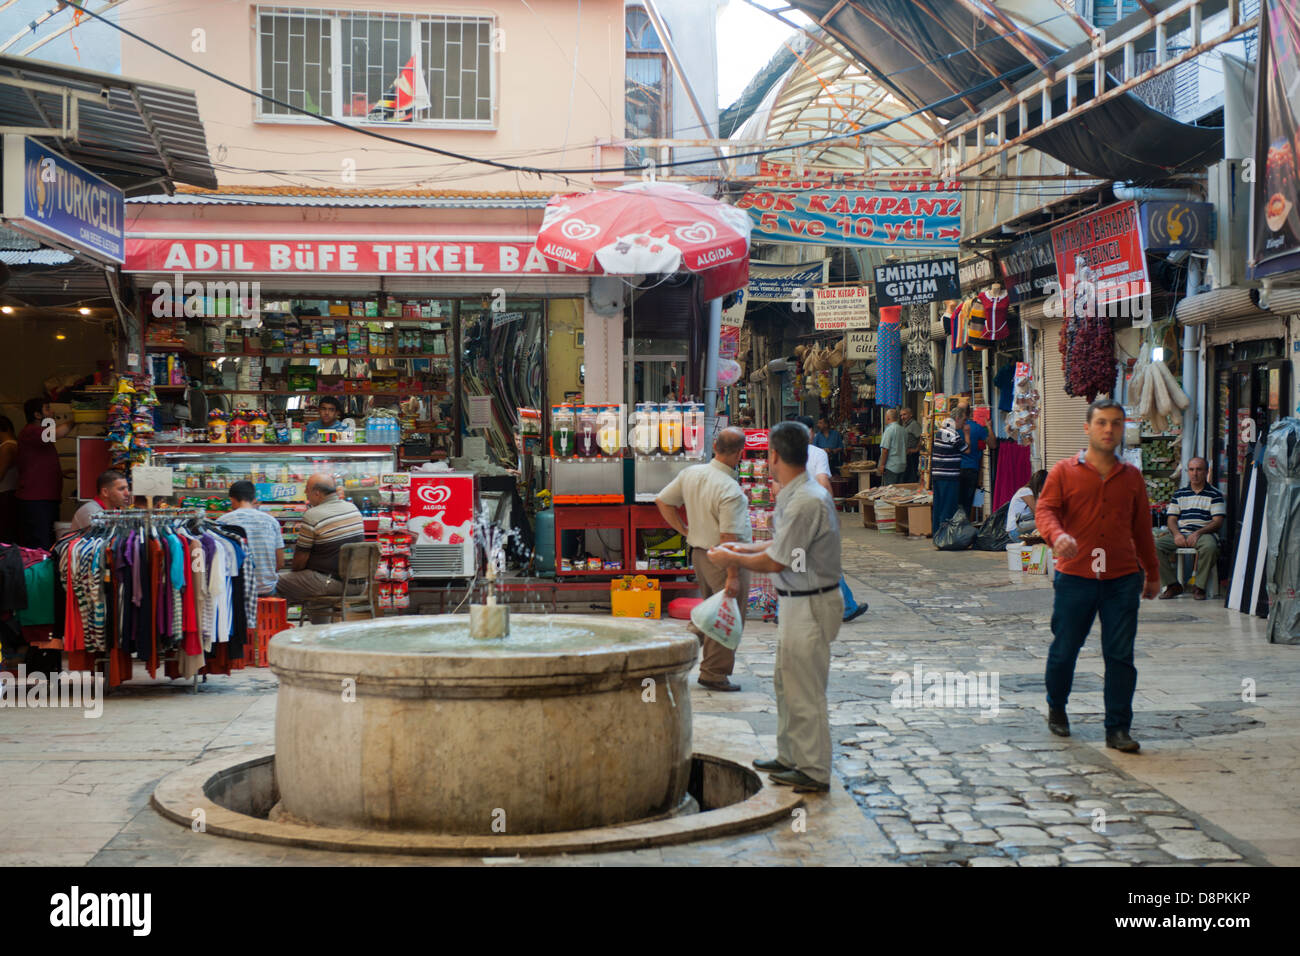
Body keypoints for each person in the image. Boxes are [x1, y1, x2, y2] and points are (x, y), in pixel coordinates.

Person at [708, 421, 843, 793]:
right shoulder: (797, 494)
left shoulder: (805, 501)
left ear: (774, 456)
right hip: (797, 600)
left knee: (806, 689)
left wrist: (730, 558)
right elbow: (778, 549)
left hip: (810, 603)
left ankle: (813, 770)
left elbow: (776, 562)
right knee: (787, 683)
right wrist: (735, 550)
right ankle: (790, 757)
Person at [1035, 398, 1160, 754]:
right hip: (1076, 576)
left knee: (1120, 655)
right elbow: (1045, 510)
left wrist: (1151, 572)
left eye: (1116, 423)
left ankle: (1118, 728)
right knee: (1065, 649)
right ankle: (1056, 705)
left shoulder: (1132, 478)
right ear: (1088, 428)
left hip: (1121, 578)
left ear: (1123, 428)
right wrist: (1057, 536)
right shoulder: (1063, 472)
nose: (1109, 430)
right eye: (1102, 422)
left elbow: (1142, 529)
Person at [655, 427, 752, 692]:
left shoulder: (692, 474)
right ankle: (714, 673)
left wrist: (684, 530)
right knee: (726, 616)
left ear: (714, 447)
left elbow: (663, 501)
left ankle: (670, 655)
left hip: (700, 555)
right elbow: (729, 538)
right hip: (724, 560)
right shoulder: (730, 489)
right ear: (739, 454)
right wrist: (733, 576)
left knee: (709, 613)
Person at [794, 416, 867, 623]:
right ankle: (846, 607)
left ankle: (784, 611)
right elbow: (824, 482)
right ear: (809, 433)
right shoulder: (816, 454)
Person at [276, 473, 365, 622]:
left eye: (307, 490)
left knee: (276, 582)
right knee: (312, 579)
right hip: (359, 583)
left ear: (317, 493)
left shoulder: (312, 515)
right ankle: (320, 630)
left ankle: (277, 633)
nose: (305, 493)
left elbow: (300, 559)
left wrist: (297, 574)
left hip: (332, 583)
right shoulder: (352, 508)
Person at [1154, 457, 1224, 600]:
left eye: (1199, 469)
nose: (1195, 473)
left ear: (1206, 472)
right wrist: (1177, 534)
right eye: (1191, 470)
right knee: (1154, 546)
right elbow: (1171, 519)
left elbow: (1217, 522)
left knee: (1210, 547)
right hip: (1182, 533)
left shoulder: (1215, 494)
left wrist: (1199, 532)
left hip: (1204, 533)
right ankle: (1173, 585)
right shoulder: (1180, 494)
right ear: (1187, 472)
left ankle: (1199, 587)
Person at [16, 398, 72, 550]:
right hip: (36, 500)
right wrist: (76, 419)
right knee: (41, 546)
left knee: (47, 543)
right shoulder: (31, 432)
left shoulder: (37, 434)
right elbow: (58, 432)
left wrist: (60, 473)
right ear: (37, 414)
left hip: (44, 499)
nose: (52, 412)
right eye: (47, 409)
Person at [219, 480, 286, 599]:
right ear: (254, 498)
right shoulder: (271, 521)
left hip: (238, 590)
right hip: (267, 589)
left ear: (232, 499)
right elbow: (280, 562)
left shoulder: (223, 521)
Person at [956, 404, 996, 515]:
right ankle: (964, 528)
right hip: (971, 469)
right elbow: (993, 445)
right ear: (971, 413)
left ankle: (954, 528)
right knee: (968, 503)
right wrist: (989, 427)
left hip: (955, 469)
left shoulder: (953, 427)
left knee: (956, 503)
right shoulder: (977, 427)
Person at [930, 416, 963, 530]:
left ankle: (937, 533)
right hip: (949, 476)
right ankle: (944, 535)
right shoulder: (952, 434)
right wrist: (967, 435)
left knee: (938, 506)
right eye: (962, 421)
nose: (963, 425)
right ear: (956, 421)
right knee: (948, 506)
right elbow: (966, 449)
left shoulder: (939, 433)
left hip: (937, 474)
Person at [1006, 470, 1049, 542]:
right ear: (1040, 483)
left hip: (1022, 528)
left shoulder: (1033, 494)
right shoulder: (1026, 491)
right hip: (1015, 530)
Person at [878, 409, 908, 486]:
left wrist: (882, 465)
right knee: (899, 492)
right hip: (902, 465)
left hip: (891, 466)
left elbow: (885, 450)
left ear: (888, 418)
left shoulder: (889, 430)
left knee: (889, 492)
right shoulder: (903, 430)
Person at [0, 416, 18, 543]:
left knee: (5, 533)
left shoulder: (7, 447)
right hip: (11, 492)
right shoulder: (16, 444)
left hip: (5, 493)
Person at [900, 408, 923, 483]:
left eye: (904, 414)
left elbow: (922, 437)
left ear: (911, 414)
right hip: (908, 455)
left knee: (912, 478)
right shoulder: (906, 425)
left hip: (913, 455)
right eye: (901, 415)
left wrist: (916, 449)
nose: (902, 417)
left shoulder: (914, 424)